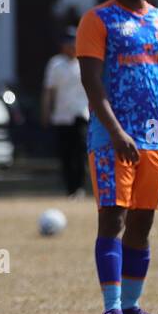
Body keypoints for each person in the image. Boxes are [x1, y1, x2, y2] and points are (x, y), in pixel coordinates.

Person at [76, 0, 158, 314]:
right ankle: (112, 307)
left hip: (152, 140)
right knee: (113, 217)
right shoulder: (98, 20)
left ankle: (133, 306)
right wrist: (116, 131)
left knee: (143, 223)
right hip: (110, 138)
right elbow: (91, 81)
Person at [42, 25, 91, 197]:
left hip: (81, 113)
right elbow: (49, 90)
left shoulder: (84, 62)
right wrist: (46, 111)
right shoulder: (55, 64)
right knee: (65, 154)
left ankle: (79, 187)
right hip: (62, 115)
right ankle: (69, 188)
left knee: (79, 152)